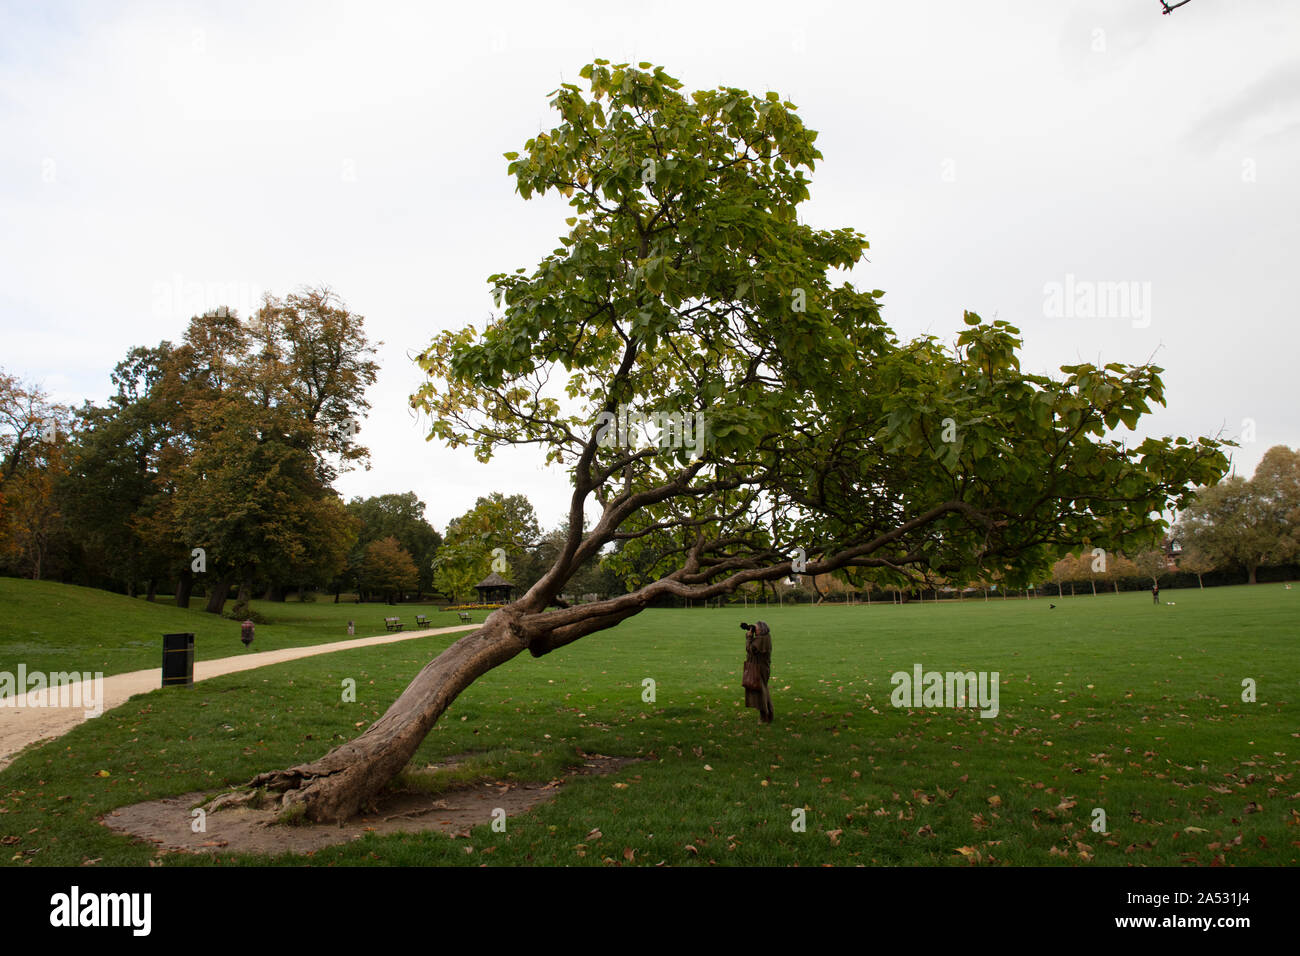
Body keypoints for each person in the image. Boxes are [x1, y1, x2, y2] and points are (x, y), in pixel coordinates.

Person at [744, 621, 774, 724]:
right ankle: (769, 714)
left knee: (761, 692)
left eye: (755, 628)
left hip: (758, 668)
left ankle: (764, 716)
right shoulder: (766, 637)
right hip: (763, 668)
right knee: (764, 690)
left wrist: (748, 637)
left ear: (761, 629)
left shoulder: (761, 640)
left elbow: (750, 649)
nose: (754, 630)